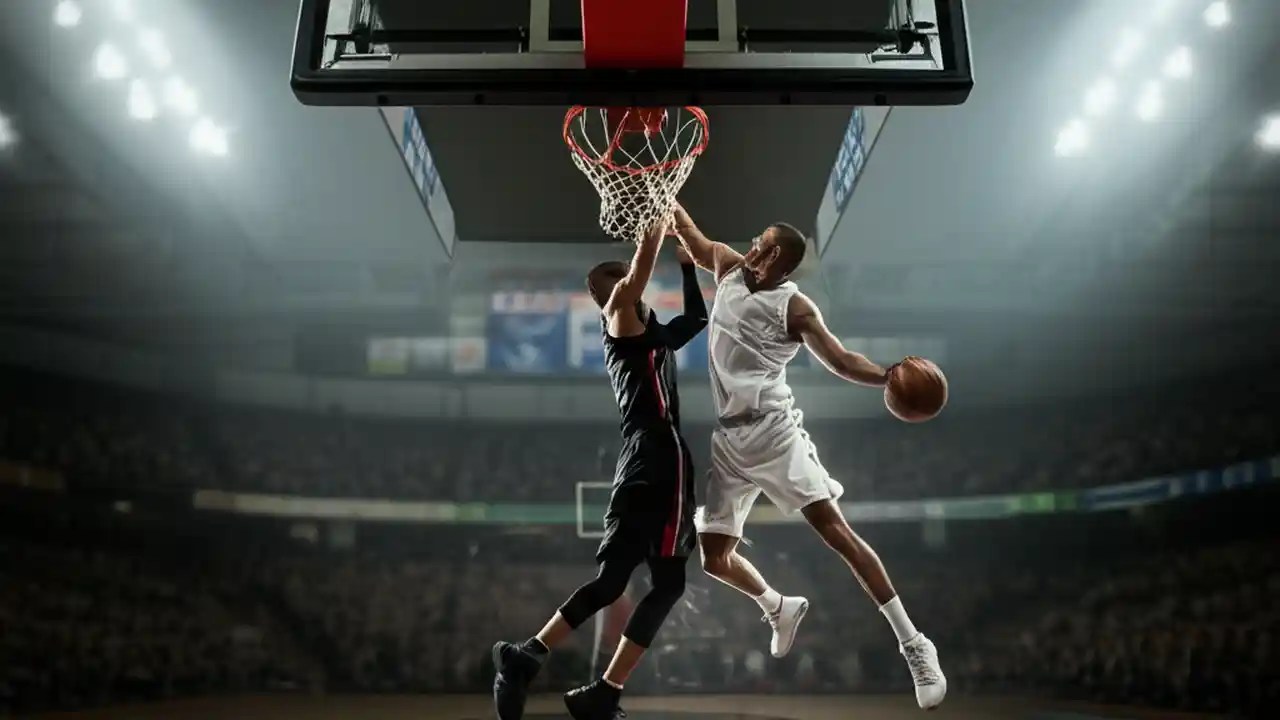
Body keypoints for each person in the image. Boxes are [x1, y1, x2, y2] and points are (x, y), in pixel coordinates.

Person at [672, 203, 946, 710]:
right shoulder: (729, 268)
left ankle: (914, 643)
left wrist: (886, 376)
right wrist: (670, 201)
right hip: (729, 442)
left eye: (762, 238)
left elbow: (841, 360)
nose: (752, 240)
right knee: (713, 559)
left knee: (836, 533)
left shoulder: (795, 308)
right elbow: (691, 235)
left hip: (775, 434)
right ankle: (777, 605)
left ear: (775, 254)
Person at [492, 222, 706, 720]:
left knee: (612, 583)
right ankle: (605, 693)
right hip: (659, 452)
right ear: (608, 291)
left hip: (640, 460)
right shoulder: (619, 319)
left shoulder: (651, 333)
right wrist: (655, 225)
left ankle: (526, 657)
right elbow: (631, 285)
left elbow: (696, 317)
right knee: (668, 584)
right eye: (628, 281)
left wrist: (688, 263)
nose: (638, 285)